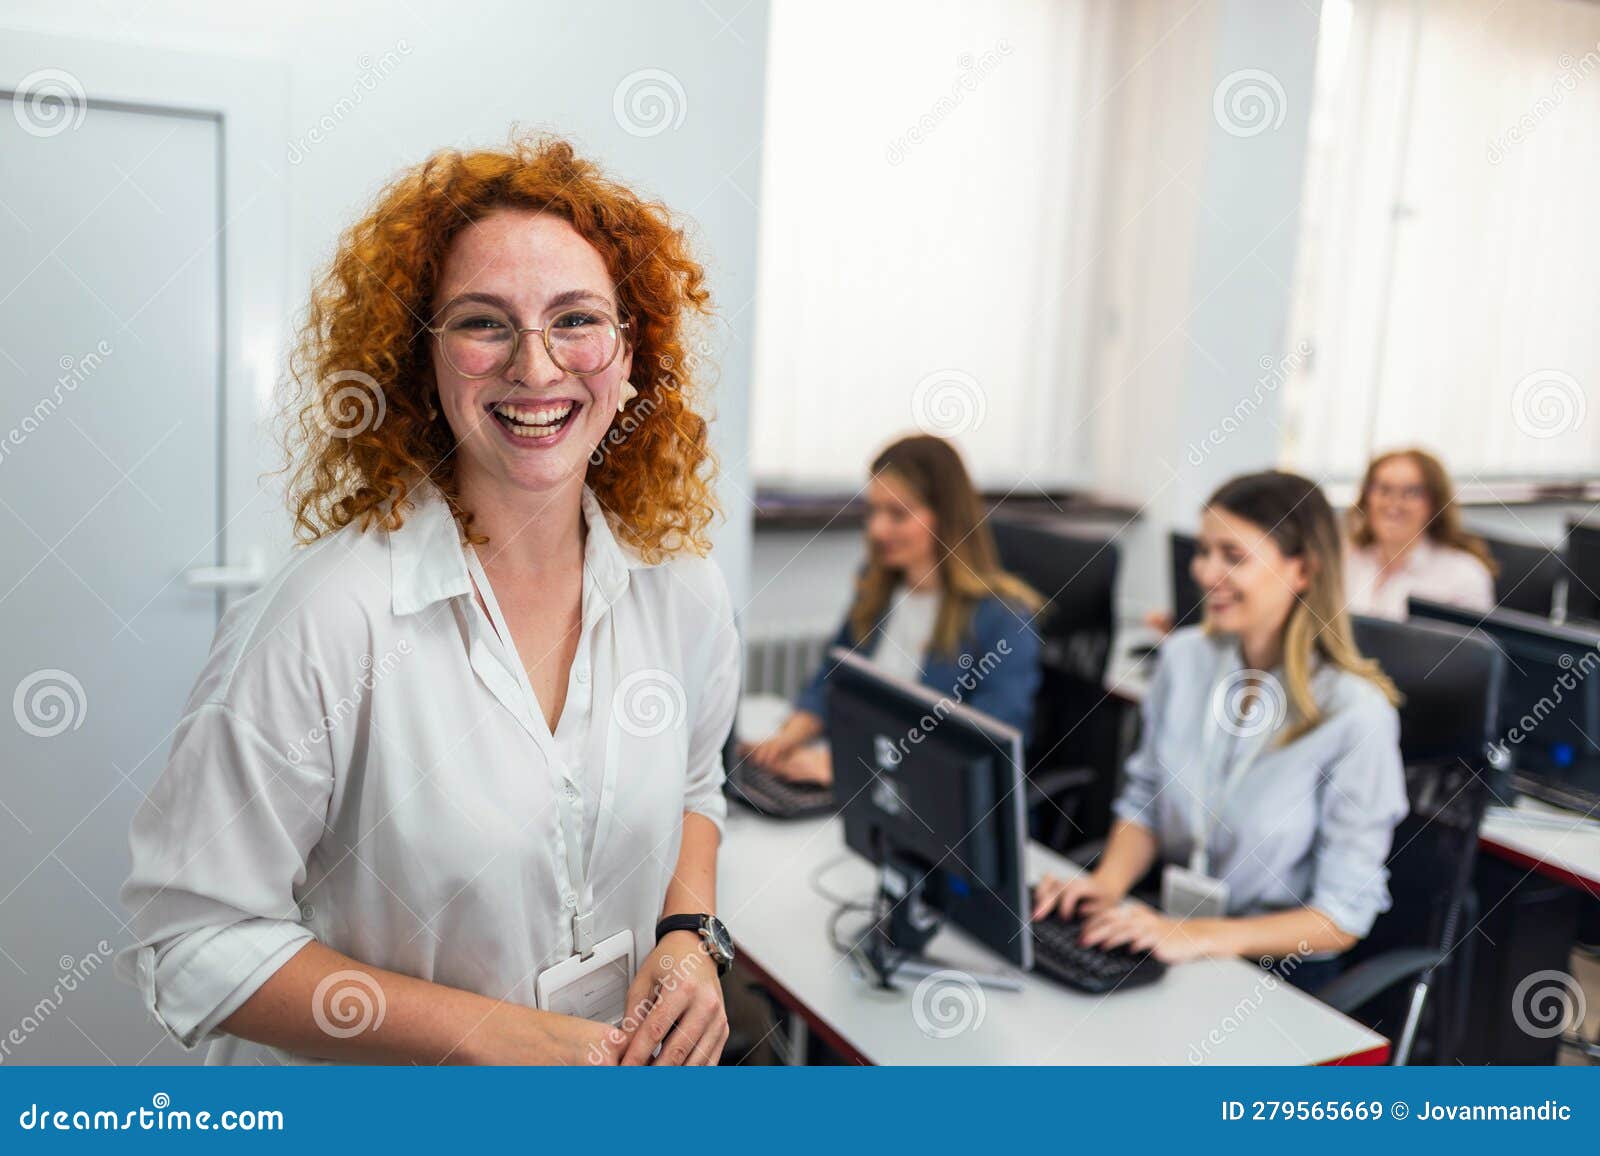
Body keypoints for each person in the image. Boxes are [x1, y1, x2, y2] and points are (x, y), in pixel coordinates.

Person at [117, 134, 740, 1065]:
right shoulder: (327, 615)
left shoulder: (679, 586)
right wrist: (487, 1036)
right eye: (484, 322)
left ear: (627, 353)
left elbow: (696, 784)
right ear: (423, 359)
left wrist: (691, 934)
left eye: (576, 319)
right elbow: (189, 940)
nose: (536, 367)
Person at [1034, 471, 1407, 989]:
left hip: (1276, 973)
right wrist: (1107, 884)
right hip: (1171, 934)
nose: (1206, 572)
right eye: (1204, 550)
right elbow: (1146, 799)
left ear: (1303, 570)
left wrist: (1200, 936)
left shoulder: (1357, 715)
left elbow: (1341, 917)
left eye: (1233, 556)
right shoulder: (1184, 658)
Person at [744, 434, 1042, 785]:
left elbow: (981, 753)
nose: (877, 529)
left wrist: (845, 770)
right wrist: (794, 731)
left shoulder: (1003, 619)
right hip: (863, 786)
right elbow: (833, 674)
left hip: (926, 807)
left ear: (946, 517)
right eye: (873, 511)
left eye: (897, 514)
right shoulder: (877, 587)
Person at [1344, 447, 1496, 620]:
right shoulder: (1346, 560)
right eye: (1383, 489)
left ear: (1434, 504)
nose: (1393, 503)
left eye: (1411, 492)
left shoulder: (1464, 576)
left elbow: (1467, 647)